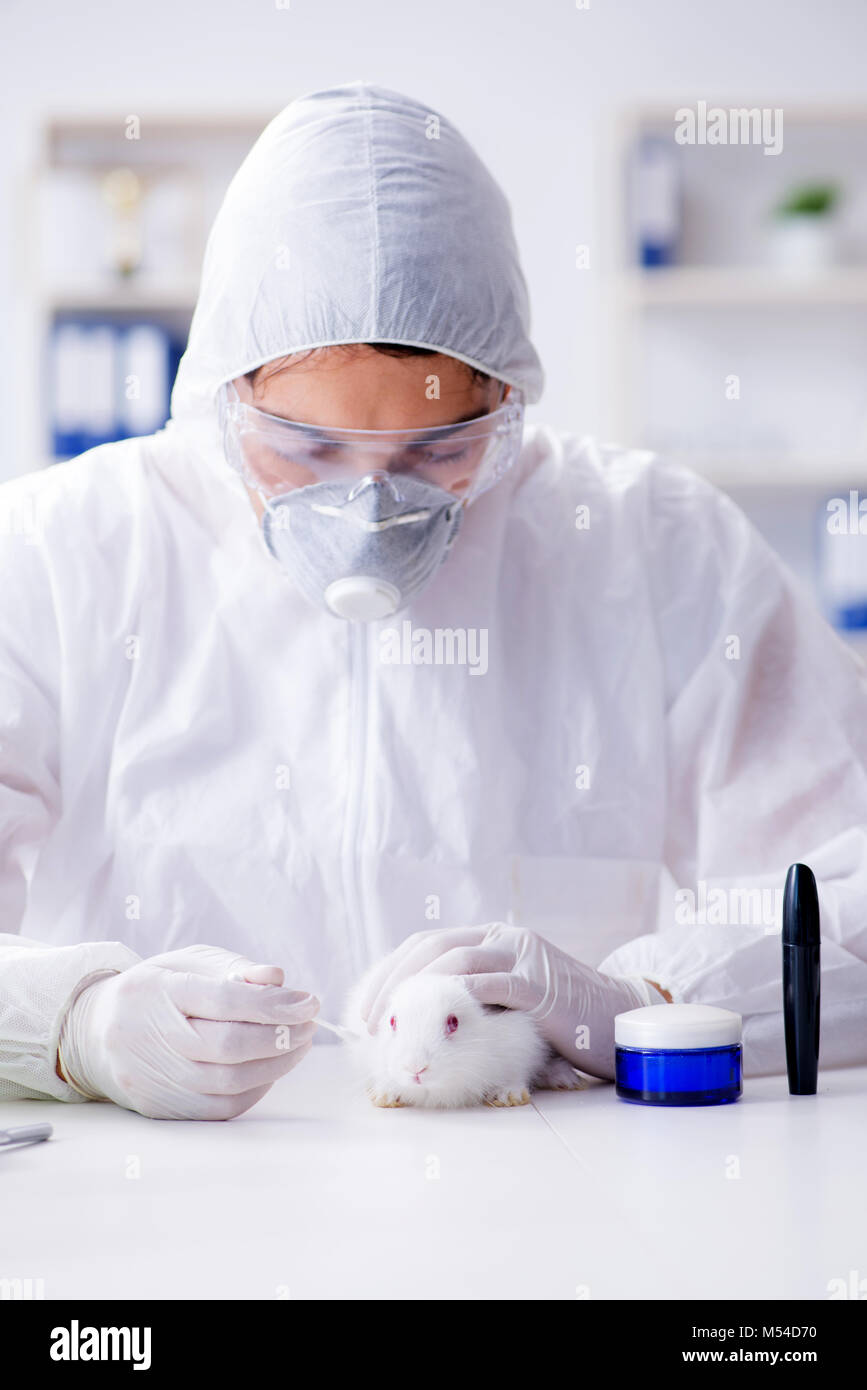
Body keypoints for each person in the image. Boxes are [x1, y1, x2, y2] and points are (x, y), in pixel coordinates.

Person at [1, 83, 866, 1122]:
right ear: (224, 394)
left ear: (507, 400)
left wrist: (649, 1001)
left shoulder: (655, 547)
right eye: (307, 447)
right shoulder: (64, 554)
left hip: (561, 1227)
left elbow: (849, 889)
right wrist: (70, 1023)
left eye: (434, 451)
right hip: (160, 1226)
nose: (367, 508)